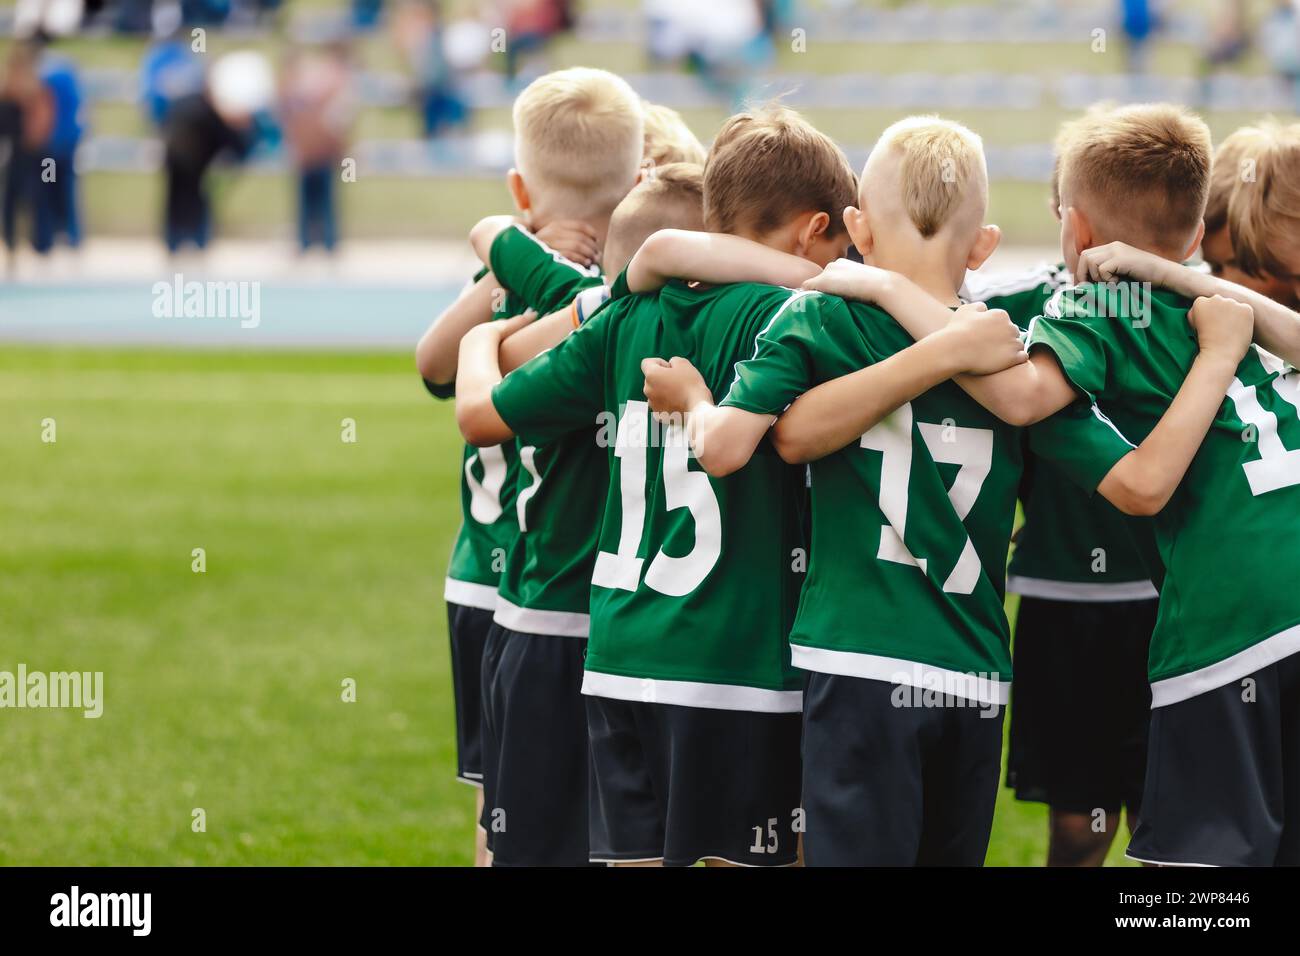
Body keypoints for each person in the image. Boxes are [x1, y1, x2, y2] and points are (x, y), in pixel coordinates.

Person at [631, 114, 1251, 866]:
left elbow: (771, 437)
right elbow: (1133, 482)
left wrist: (698, 400)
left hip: (858, 661)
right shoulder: (1009, 358)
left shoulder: (822, 317)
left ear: (857, 229)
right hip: (972, 672)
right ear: (984, 245)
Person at [422, 67, 645, 867]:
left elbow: (433, 366)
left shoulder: (508, 283)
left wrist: (499, 255)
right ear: (640, 181)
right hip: (570, 587)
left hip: (493, 580)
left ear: (522, 186)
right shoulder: (616, 301)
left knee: (503, 809)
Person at [280, 44, 356, 253]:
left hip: (324, 152)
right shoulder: (301, 90)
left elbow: (340, 123)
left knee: (326, 200)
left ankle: (329, 242)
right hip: (307, 153)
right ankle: (305, 242)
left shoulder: (334, 90)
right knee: (307, 201)